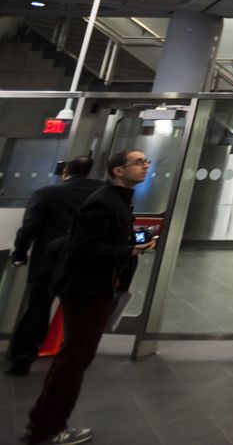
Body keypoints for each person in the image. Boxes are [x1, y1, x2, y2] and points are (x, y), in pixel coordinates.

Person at [24, 150, 154, 445]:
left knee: (72, 359)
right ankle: (47, 429)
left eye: (147, 162)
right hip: (88, 291)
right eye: (138, 162)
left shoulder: (117, 200)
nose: (145, 166)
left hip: (94, 289)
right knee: (73, 361)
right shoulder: (104, 202)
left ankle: (42, 422)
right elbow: (86, 249)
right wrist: (130, 251)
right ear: (118, 170)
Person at [6, 156, 104, 377]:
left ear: (66, 172)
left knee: (37, 310)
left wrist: (20, 254)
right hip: (87, 261)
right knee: (80, 314)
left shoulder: (47, 193)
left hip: (48, 261)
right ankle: (75, 362)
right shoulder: (101, 192)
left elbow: (29, 228)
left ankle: (21, 360)